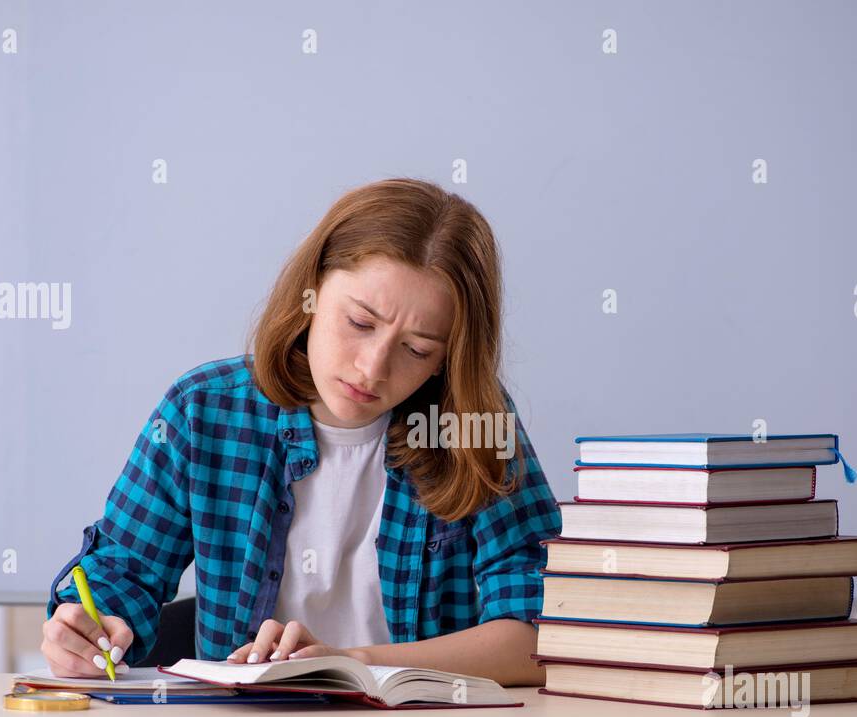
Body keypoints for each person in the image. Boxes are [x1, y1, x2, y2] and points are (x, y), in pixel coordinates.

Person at [41, 177, 561, 685]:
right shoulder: (203, 410)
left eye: (418, 349)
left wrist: (349, 661)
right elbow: (120, 579)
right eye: (359, 323)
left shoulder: (471, 423)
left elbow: (540, 637)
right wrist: (85, 631)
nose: (372, 368)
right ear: (311, 294)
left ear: (449, 358)